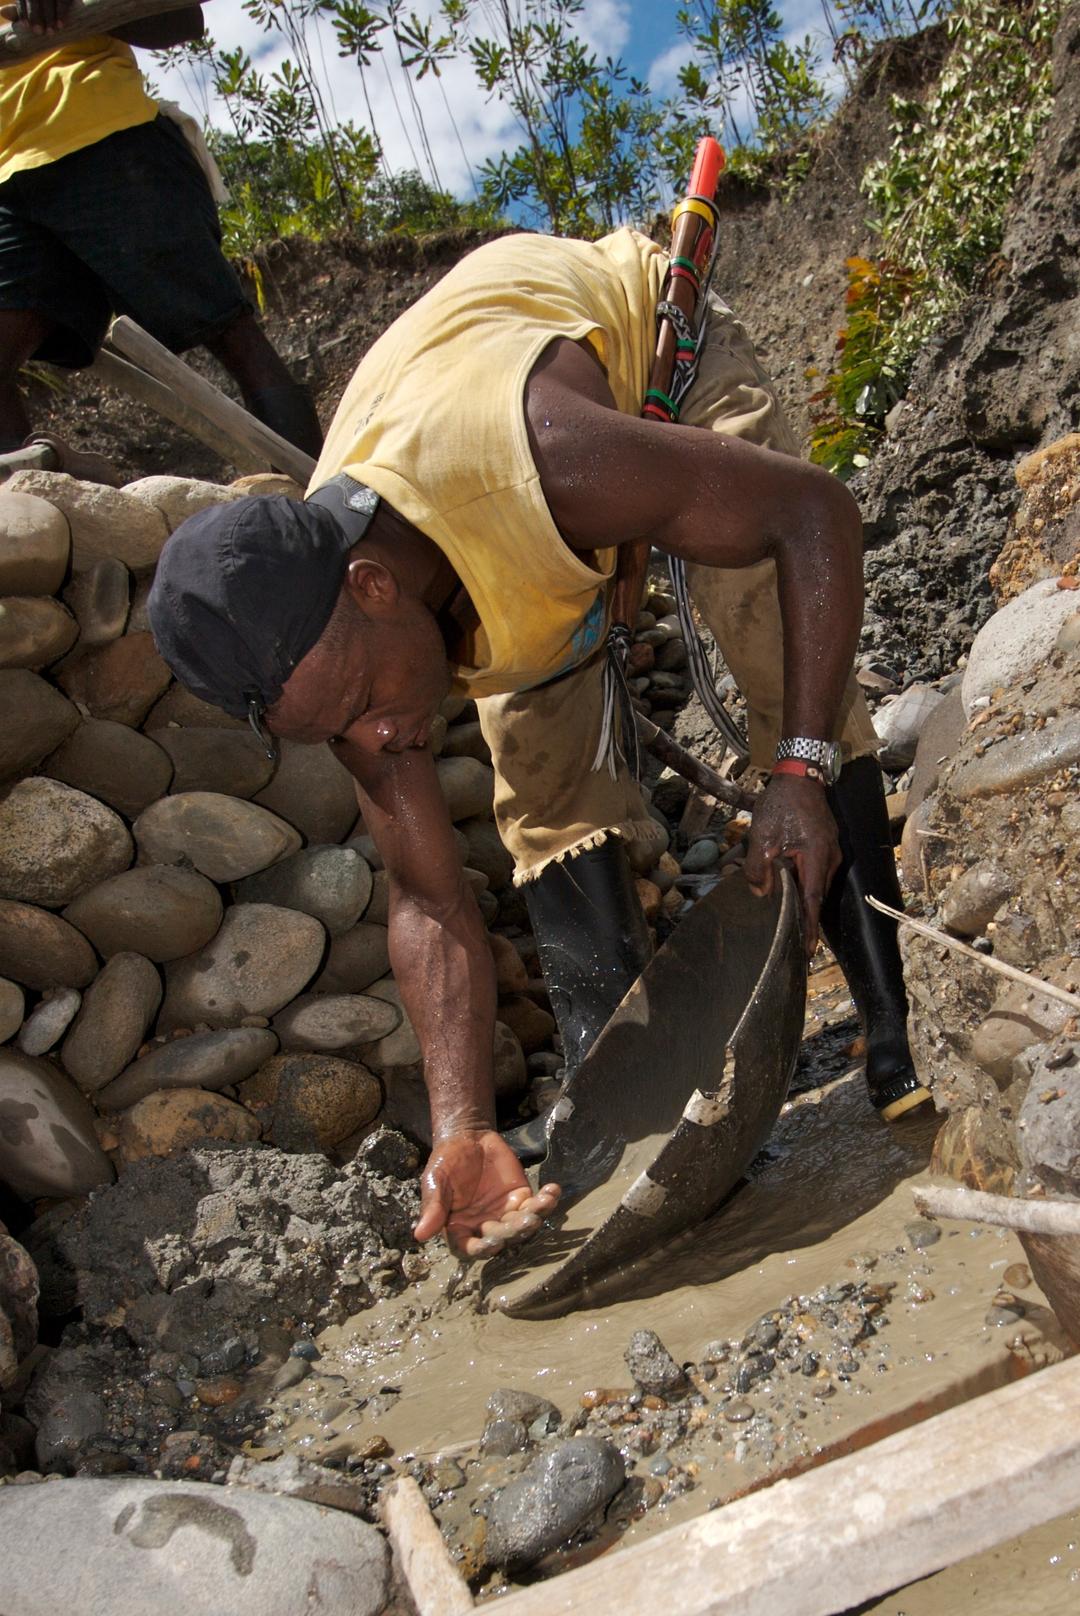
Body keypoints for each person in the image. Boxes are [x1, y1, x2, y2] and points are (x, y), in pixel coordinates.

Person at [147, 226, 928, 1261]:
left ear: (373, 585)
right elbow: (429, 896)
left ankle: (894, 1033)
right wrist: (461, 1123)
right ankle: (627, 1117)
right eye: (334, 731)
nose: (377, 742)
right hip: (491, 557)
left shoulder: (542, 458)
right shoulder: (334, 664)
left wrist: (797, 772)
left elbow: (813, 512)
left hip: (645, 371)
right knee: (543, 781)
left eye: (365, 704)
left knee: (771, 636)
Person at [0, 3, 323, 465]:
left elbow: (181, 18)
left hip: (105, 135)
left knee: (228, 332)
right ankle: (30, 521)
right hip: (8, 184)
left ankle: (321, 511)